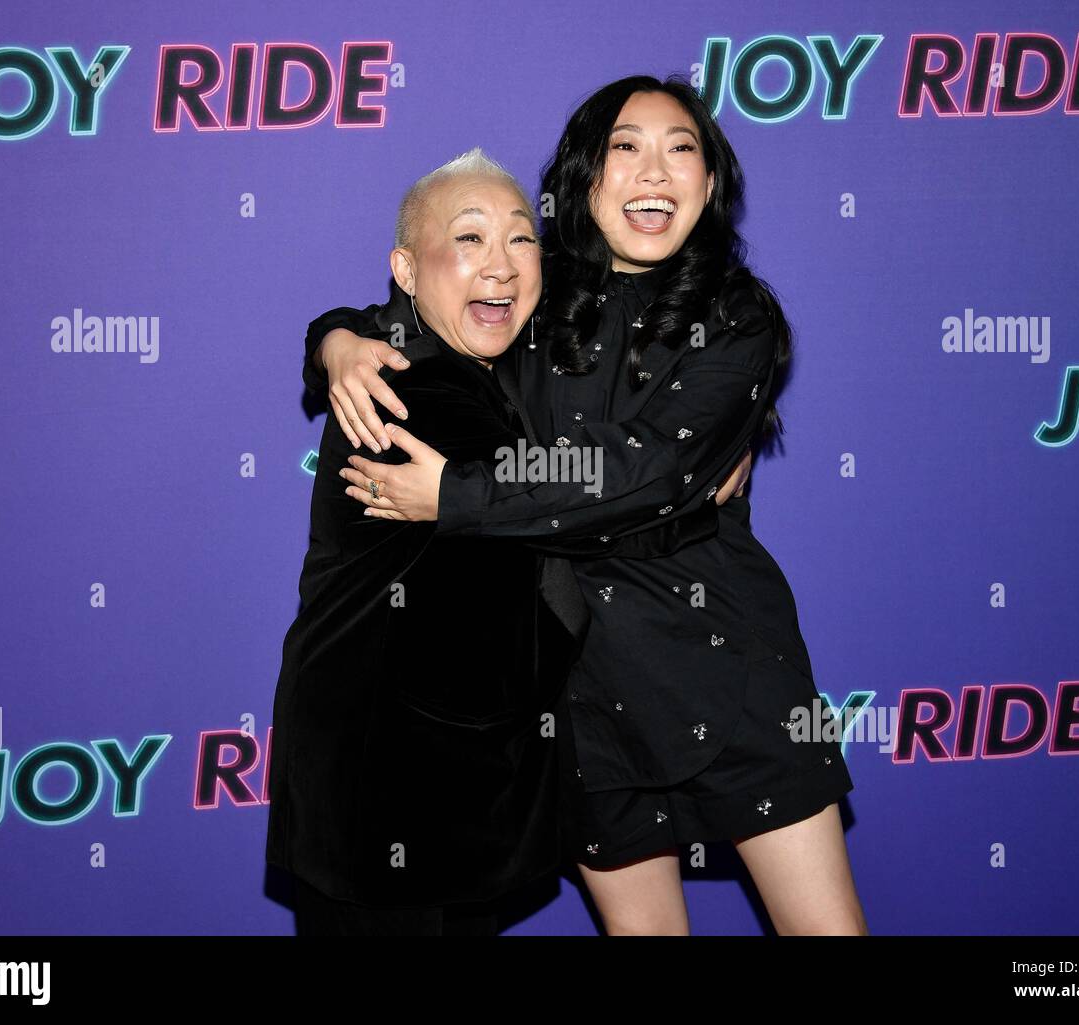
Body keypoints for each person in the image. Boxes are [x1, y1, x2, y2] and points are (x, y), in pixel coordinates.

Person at [307, 77, 869, 935]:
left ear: (710, 184)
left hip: (731, 664)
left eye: (682, 149)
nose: (655, 171)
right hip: (584, 685)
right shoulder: (528, 289)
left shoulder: (735, 316)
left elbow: (641, 467)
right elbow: (417, 309)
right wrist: (337, 341)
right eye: (626, 146)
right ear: (584, 176)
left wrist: (454, 495)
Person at [266, 148, 573, 936]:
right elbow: (577, 508)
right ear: (406, 268)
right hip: (390, 792)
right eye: (469, 239)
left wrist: (332, 335)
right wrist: (682, 466)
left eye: (521, 238)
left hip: (415, 785)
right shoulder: (419, 391)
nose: (500, 265)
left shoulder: (458, 363)